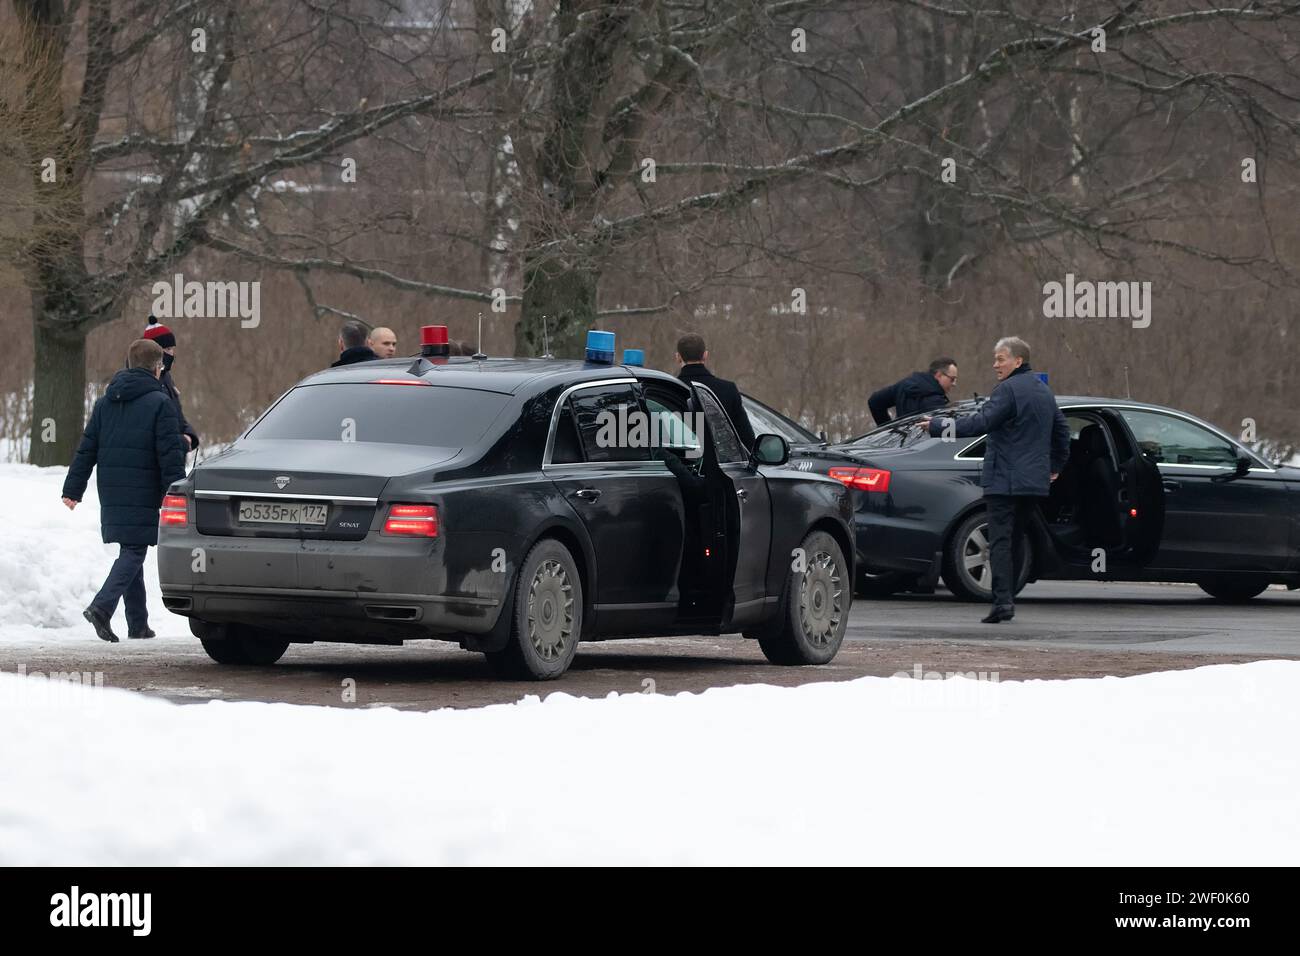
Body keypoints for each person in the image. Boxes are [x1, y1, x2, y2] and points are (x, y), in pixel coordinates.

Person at [919, 337, 1068, 624]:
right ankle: (1007, 596)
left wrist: (937, 426)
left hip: (1004, 480)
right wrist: (1055, 466)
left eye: (1000, 359)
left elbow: (980, 423)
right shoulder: (1043, 391)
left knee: (999, 541)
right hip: (1033, 482)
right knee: (1015, 540)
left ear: (1017, 361)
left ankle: (1002, 603)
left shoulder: (1007, 390)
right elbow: (1061, 432)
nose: (995, 364)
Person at [62, 339, 188, 642]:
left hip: (112, 488)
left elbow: (86, 448)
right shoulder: (161, 403)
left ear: (129, 364)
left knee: (130, 548)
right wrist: (177, 494)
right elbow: (169, 454)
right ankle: (102, 608)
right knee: (134, 550)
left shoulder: (105, 403)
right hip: (142, 488)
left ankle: (138, 624)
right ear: (158, 368)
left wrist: (73, 489)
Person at [675, 333, 757, 451]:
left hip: (681, 466)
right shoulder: (728, 389)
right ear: (705, 355)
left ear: (678, 357)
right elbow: (747, 438)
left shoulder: (669, 389)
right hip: (720, 467)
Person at [143, 317, 200, 452]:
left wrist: (189, 434)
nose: (172, 354)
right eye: (168, 349)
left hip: (175, 454)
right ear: (155, 350)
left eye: (172, 349)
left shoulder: (166, 377)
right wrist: (180, 442)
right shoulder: (142, 379)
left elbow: (177, 414)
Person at [868, 357, 958, 426]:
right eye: (952, 379)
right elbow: (943, 436)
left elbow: (875, 401)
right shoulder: (935, 401)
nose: (954, 384)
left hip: (899, 445)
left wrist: (889, 430)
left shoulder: (904, 385)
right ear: (939, 375)